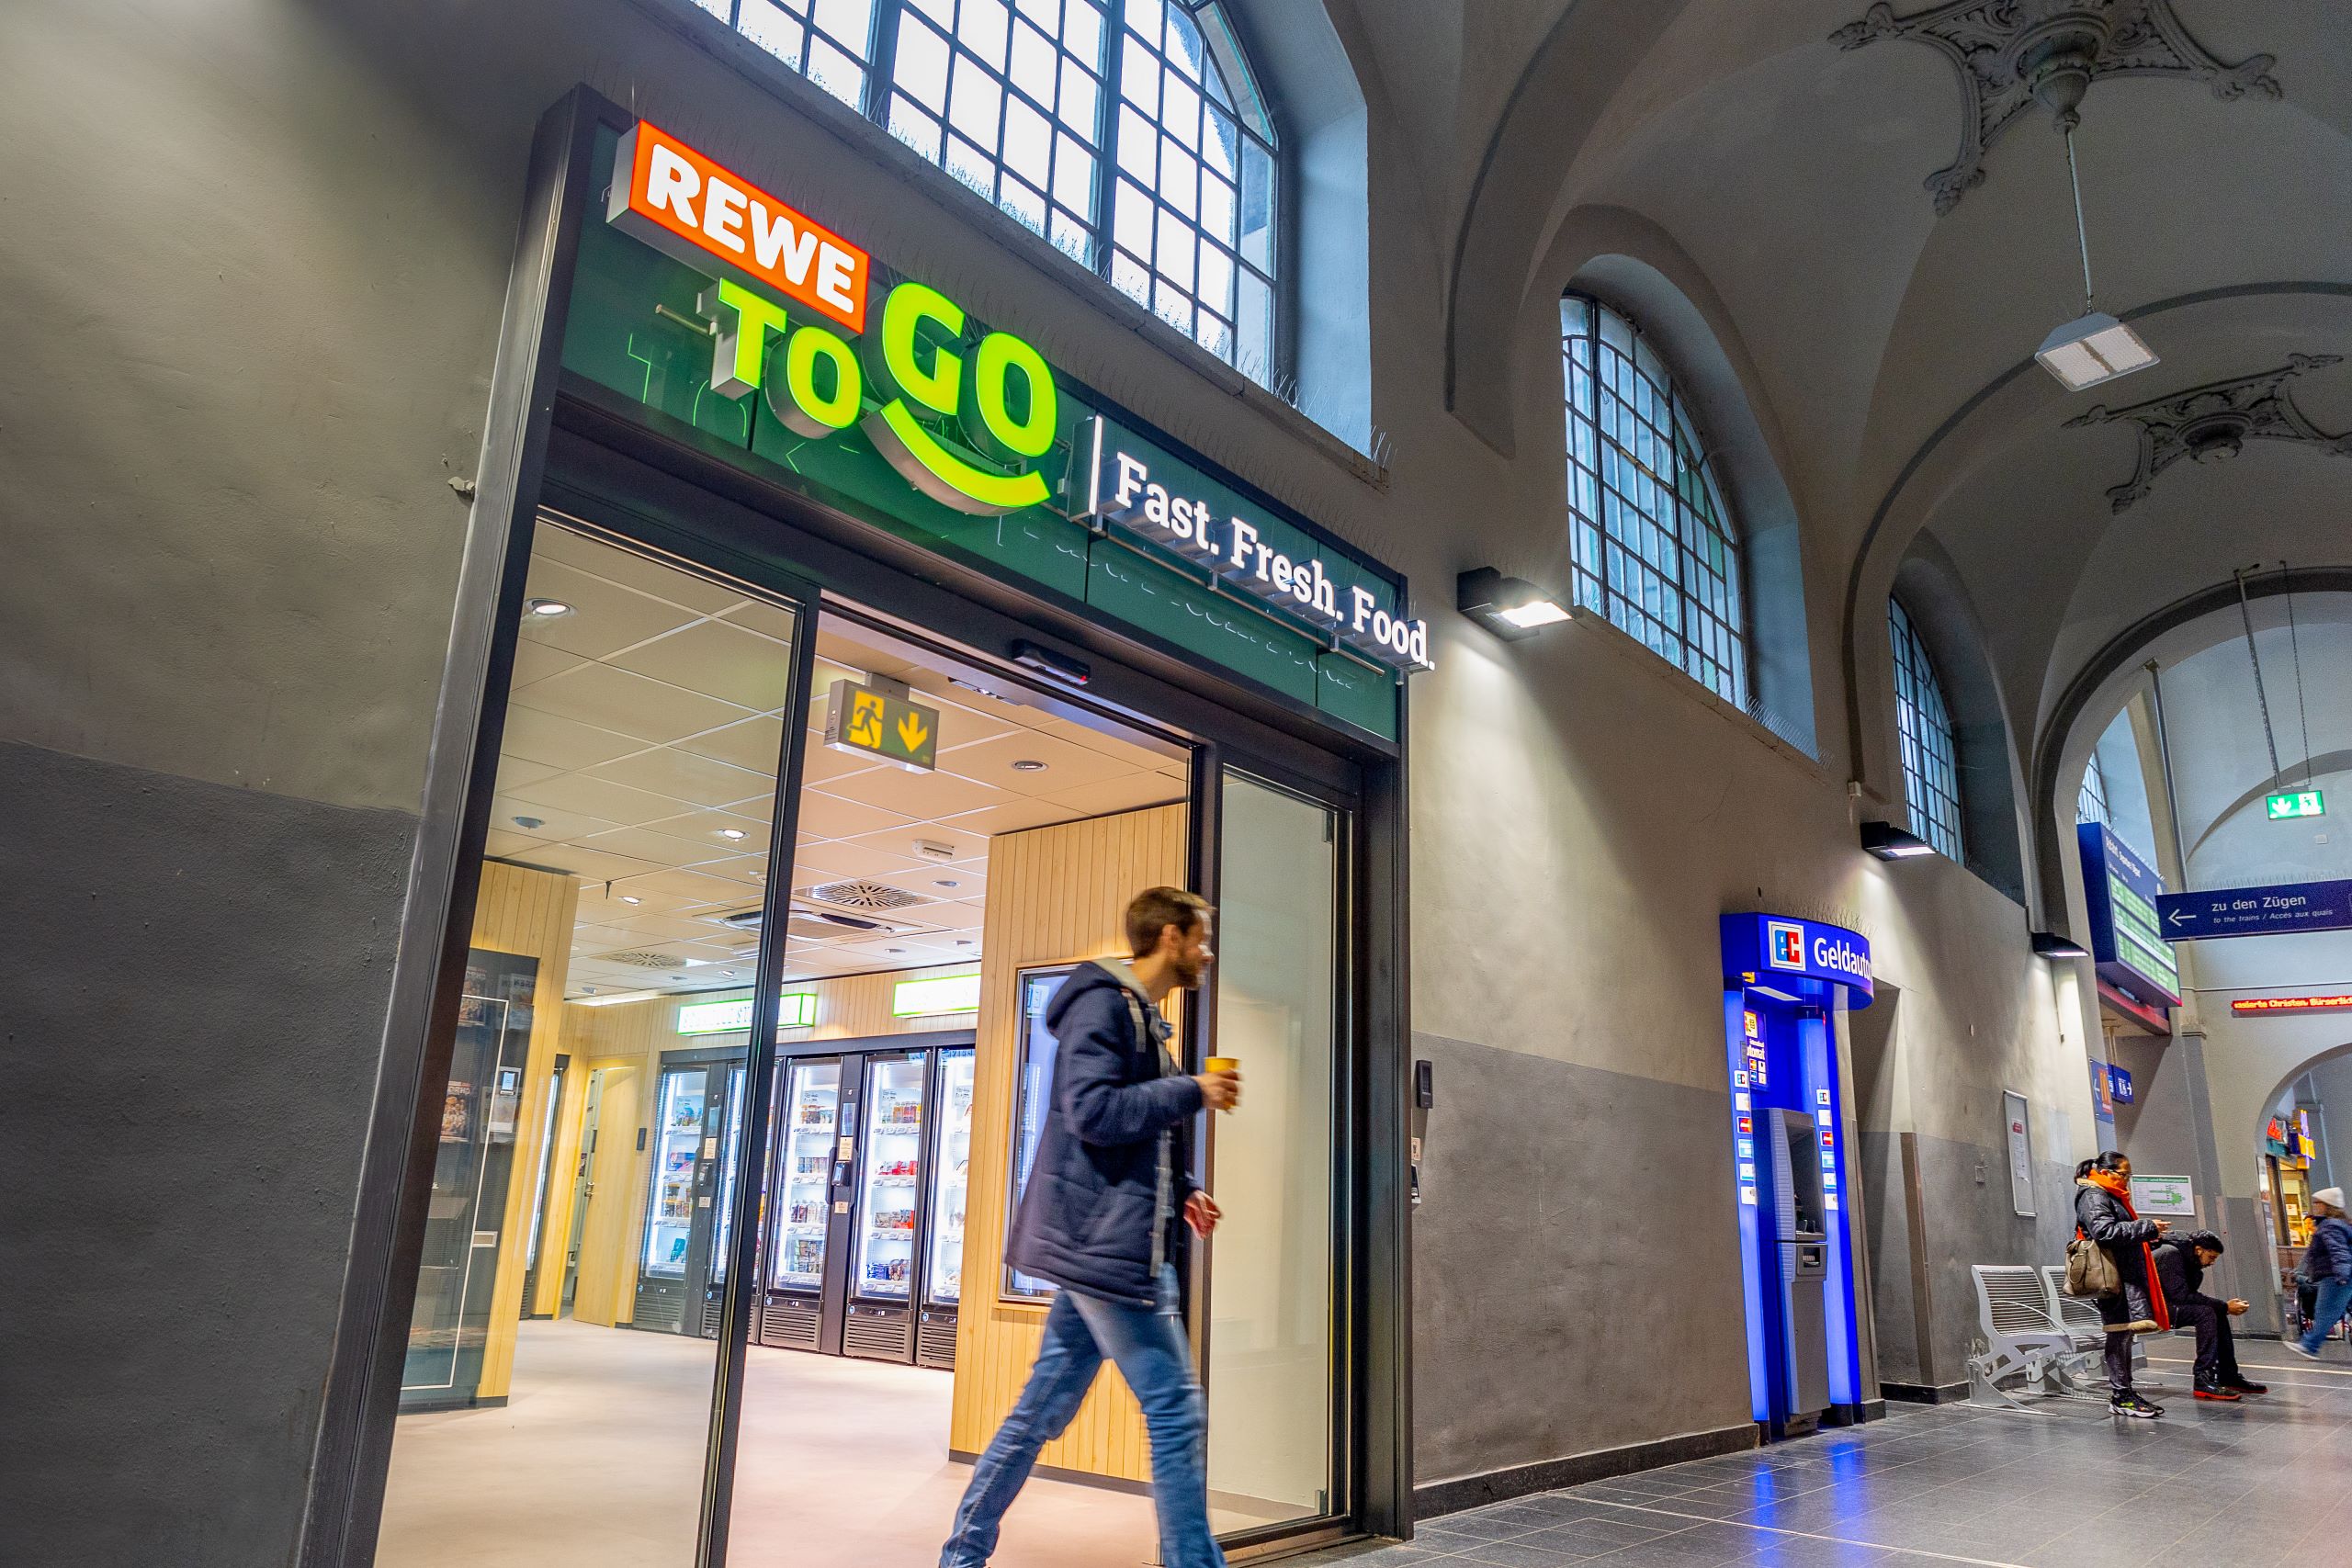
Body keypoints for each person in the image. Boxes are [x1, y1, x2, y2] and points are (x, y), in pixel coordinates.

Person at [940, 887, 1241, 1568]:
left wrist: (1184, 1190)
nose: (1206, 952)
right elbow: (1093, 1112)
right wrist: (1194, 1088)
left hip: (1104, 1242)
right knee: (1176, 1410)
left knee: (1040, 1411)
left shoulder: (1142, 1014)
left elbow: (1133, 1136)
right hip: (1108, 1250)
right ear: (1170, 936)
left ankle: (962, 1554)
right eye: (1201, 938)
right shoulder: (1105, 1005)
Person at [2074, 1151, 2172, 1417]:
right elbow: (2104, 1232)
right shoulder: (2094, 1195)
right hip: (2111, 1275)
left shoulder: (2109, 1195)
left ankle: (2125, 1391)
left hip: (2122, 1273)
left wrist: (2150, 1232)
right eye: (2124, 1175)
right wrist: (2145, 1227)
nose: (2127, 1180)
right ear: (2106, 1173)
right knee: (2118, 1333)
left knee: (2124, 1333)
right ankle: (2120, 1395)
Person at [2151, 1228, 2265, 1399]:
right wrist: (2225, 1306)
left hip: (2165, 1306)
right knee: (2206, 1313)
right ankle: (2203, 1379)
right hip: (2149, 1310)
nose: (2212, 1263)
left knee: (2215, 1312)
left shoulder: (2188, 1260)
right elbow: (2181, 1296)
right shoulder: (2171, 1254)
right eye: (2211, 1257)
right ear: (2198, 1250)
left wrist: (2223, 1308)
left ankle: (2228, 1376)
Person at [2290, 1186, 2352, 1359]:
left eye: (2318, 1203)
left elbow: (2338, 1251)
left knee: (2325, 1311)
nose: (2315, 1206)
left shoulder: (2330, 1226)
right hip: (2336, 1275)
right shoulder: (2336, 1224)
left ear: (2328, 1205)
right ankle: (2309, 1344)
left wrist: (2341, 1275)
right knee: (2328, 1311)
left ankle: (2309, 1345)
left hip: (2334, 1276)